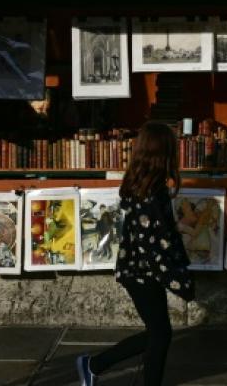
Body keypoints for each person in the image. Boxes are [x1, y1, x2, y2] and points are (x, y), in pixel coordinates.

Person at [76, 122, 194, 386]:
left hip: (138, 271)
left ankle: (93, 364)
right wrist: (180, 281)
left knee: (158, 333)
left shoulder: (144, 187)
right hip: (142, 273)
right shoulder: (150, 194)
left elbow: (157, 234)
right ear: (162, 154)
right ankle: (94, 364)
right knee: (160, 333)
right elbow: (153, 245)